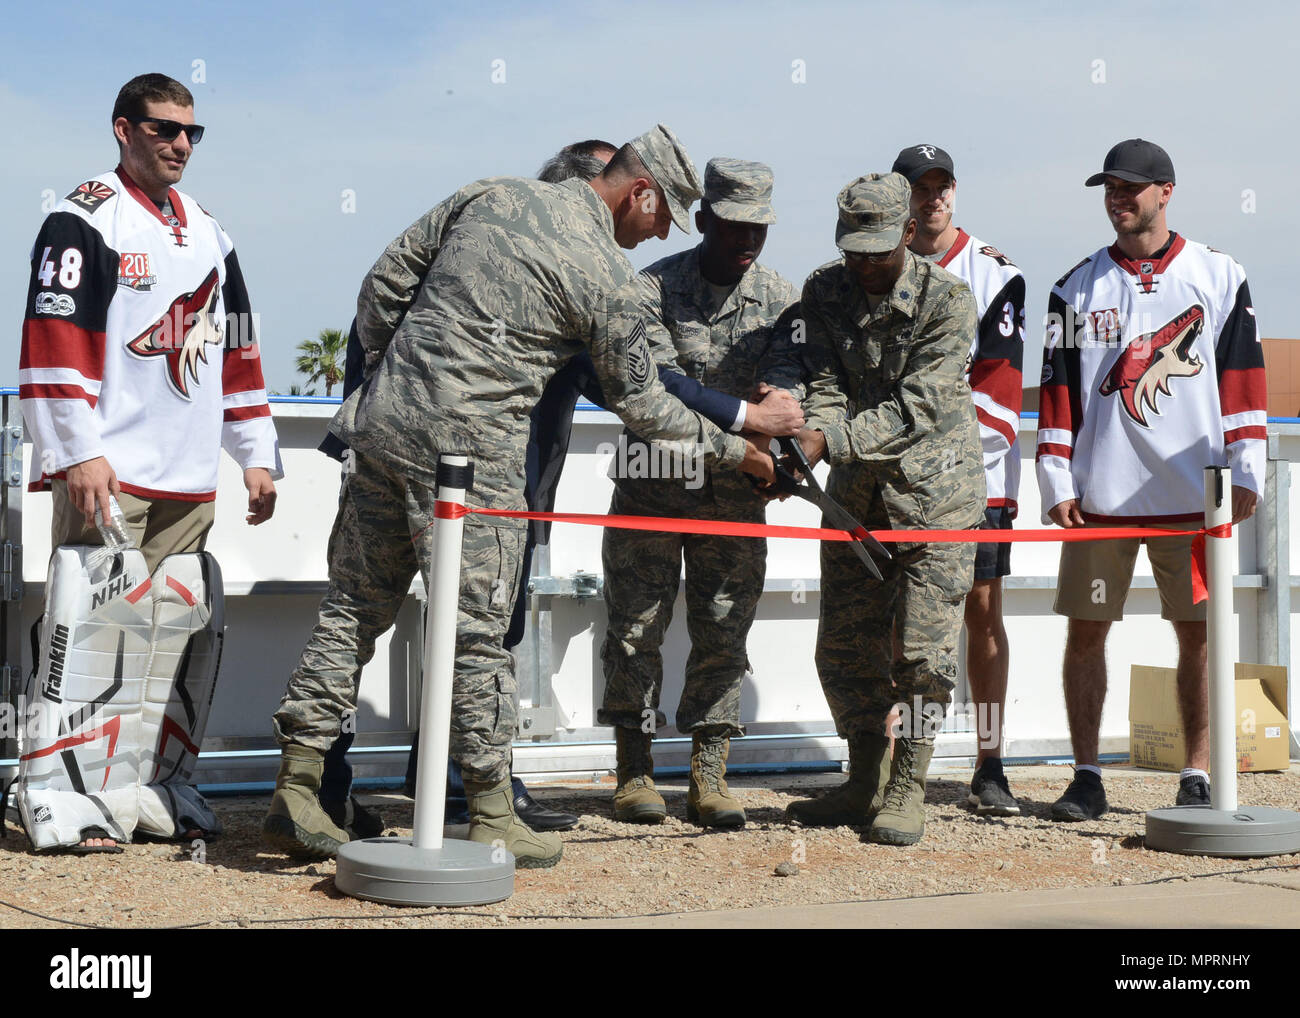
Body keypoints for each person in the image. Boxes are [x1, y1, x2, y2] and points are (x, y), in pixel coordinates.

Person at [265, 125, 777, 868]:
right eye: (662, 215)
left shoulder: (490, 193)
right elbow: (646, 407)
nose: (660, 233)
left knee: (352, 609)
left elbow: (382, 285)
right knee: (476, 635)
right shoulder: (605, 275)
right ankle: (493, 812)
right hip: (469, 462)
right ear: (638, 191)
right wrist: (738, 450)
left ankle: (300, 786)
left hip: (382, 431)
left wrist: (399, 380)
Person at [18, 73, 280, 851]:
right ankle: (61, 794)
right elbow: (52, 341)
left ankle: (148, 785)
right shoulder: (80, 219)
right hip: (111, 471)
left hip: (189, 478)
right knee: (91, 629)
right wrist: (78, 450)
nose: (179, 145)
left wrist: (255, 452)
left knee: (170, 635)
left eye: (191, 133)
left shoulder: (209, 230)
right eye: (164, 129)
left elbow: (238, 349)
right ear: (122, 129)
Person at [1037, 139, 1266, 820]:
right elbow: (1058, 392)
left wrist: (1246, 467)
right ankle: (1085, 774)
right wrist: (1056, 478)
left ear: (1166, 191)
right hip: (1102, 499)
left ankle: (1196, 775)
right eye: (1109, 187)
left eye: (1131, 187)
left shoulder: (1219, 274)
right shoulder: (1074, 286)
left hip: (1194, 496)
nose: (1118, 198)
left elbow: (1242, 378)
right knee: (1087, 630)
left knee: (1196, 634)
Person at [598, 158, 802, 828]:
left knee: (724, 631)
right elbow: (655, 388)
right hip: (652, 490)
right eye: (735, 227)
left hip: (734, 501)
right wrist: (750, 422)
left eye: (760, 230)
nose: (748, 242)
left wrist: (784, 417)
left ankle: (708, 777)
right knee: (635, 631)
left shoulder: (781, 299)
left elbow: (786, 381)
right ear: (705, 219)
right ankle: (634, 772)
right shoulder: (649, 287)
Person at [784, 173, 983, 846]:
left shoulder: (948, 301)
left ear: (907, 233)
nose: (864, 264)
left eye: (878, 248)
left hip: (935, 497)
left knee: (925, 658)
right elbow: (826, 379)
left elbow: (921, 406)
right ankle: (864, 776)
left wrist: (828, 440)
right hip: (856, 501)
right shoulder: (824, 291)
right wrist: (815, 437)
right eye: (852, 249)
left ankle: (910, 782)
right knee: (844, 645)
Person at [892, 144, 1026, 816]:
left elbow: (1001, 395)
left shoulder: (994, 274)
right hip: (890, 478)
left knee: (981, 614)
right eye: (921, 187)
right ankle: (894, 768)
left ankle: (990, 763)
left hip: (977, 477)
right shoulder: (874, 264)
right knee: (897, 619)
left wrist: (925, 446)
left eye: (943, 187)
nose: (933, 199)